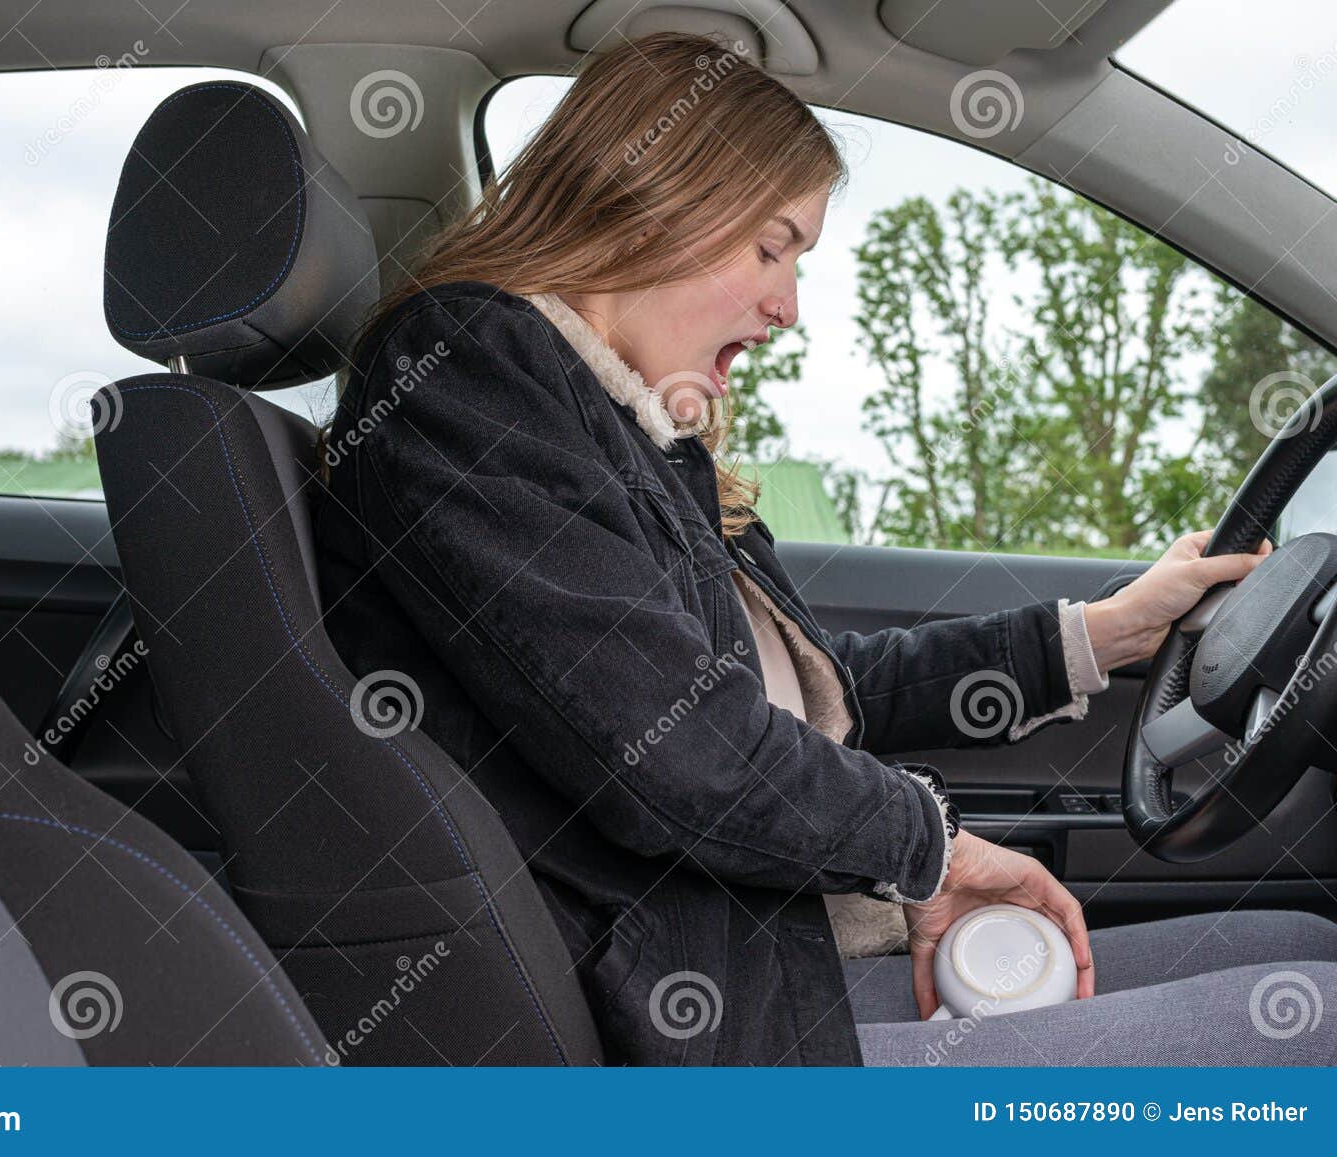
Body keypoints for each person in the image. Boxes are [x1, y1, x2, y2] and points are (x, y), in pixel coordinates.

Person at [314, 31, 1337, 1065]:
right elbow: (682, 750)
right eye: (771, 248)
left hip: (770, 956)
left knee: (1302, 946)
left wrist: (1106, 633)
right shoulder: (464, 369)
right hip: (694, 1024)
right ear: (646, 203)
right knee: (1316, 1018)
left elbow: (821, 695)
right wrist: (929, 849)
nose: (788, 308)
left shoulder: (642, 437)